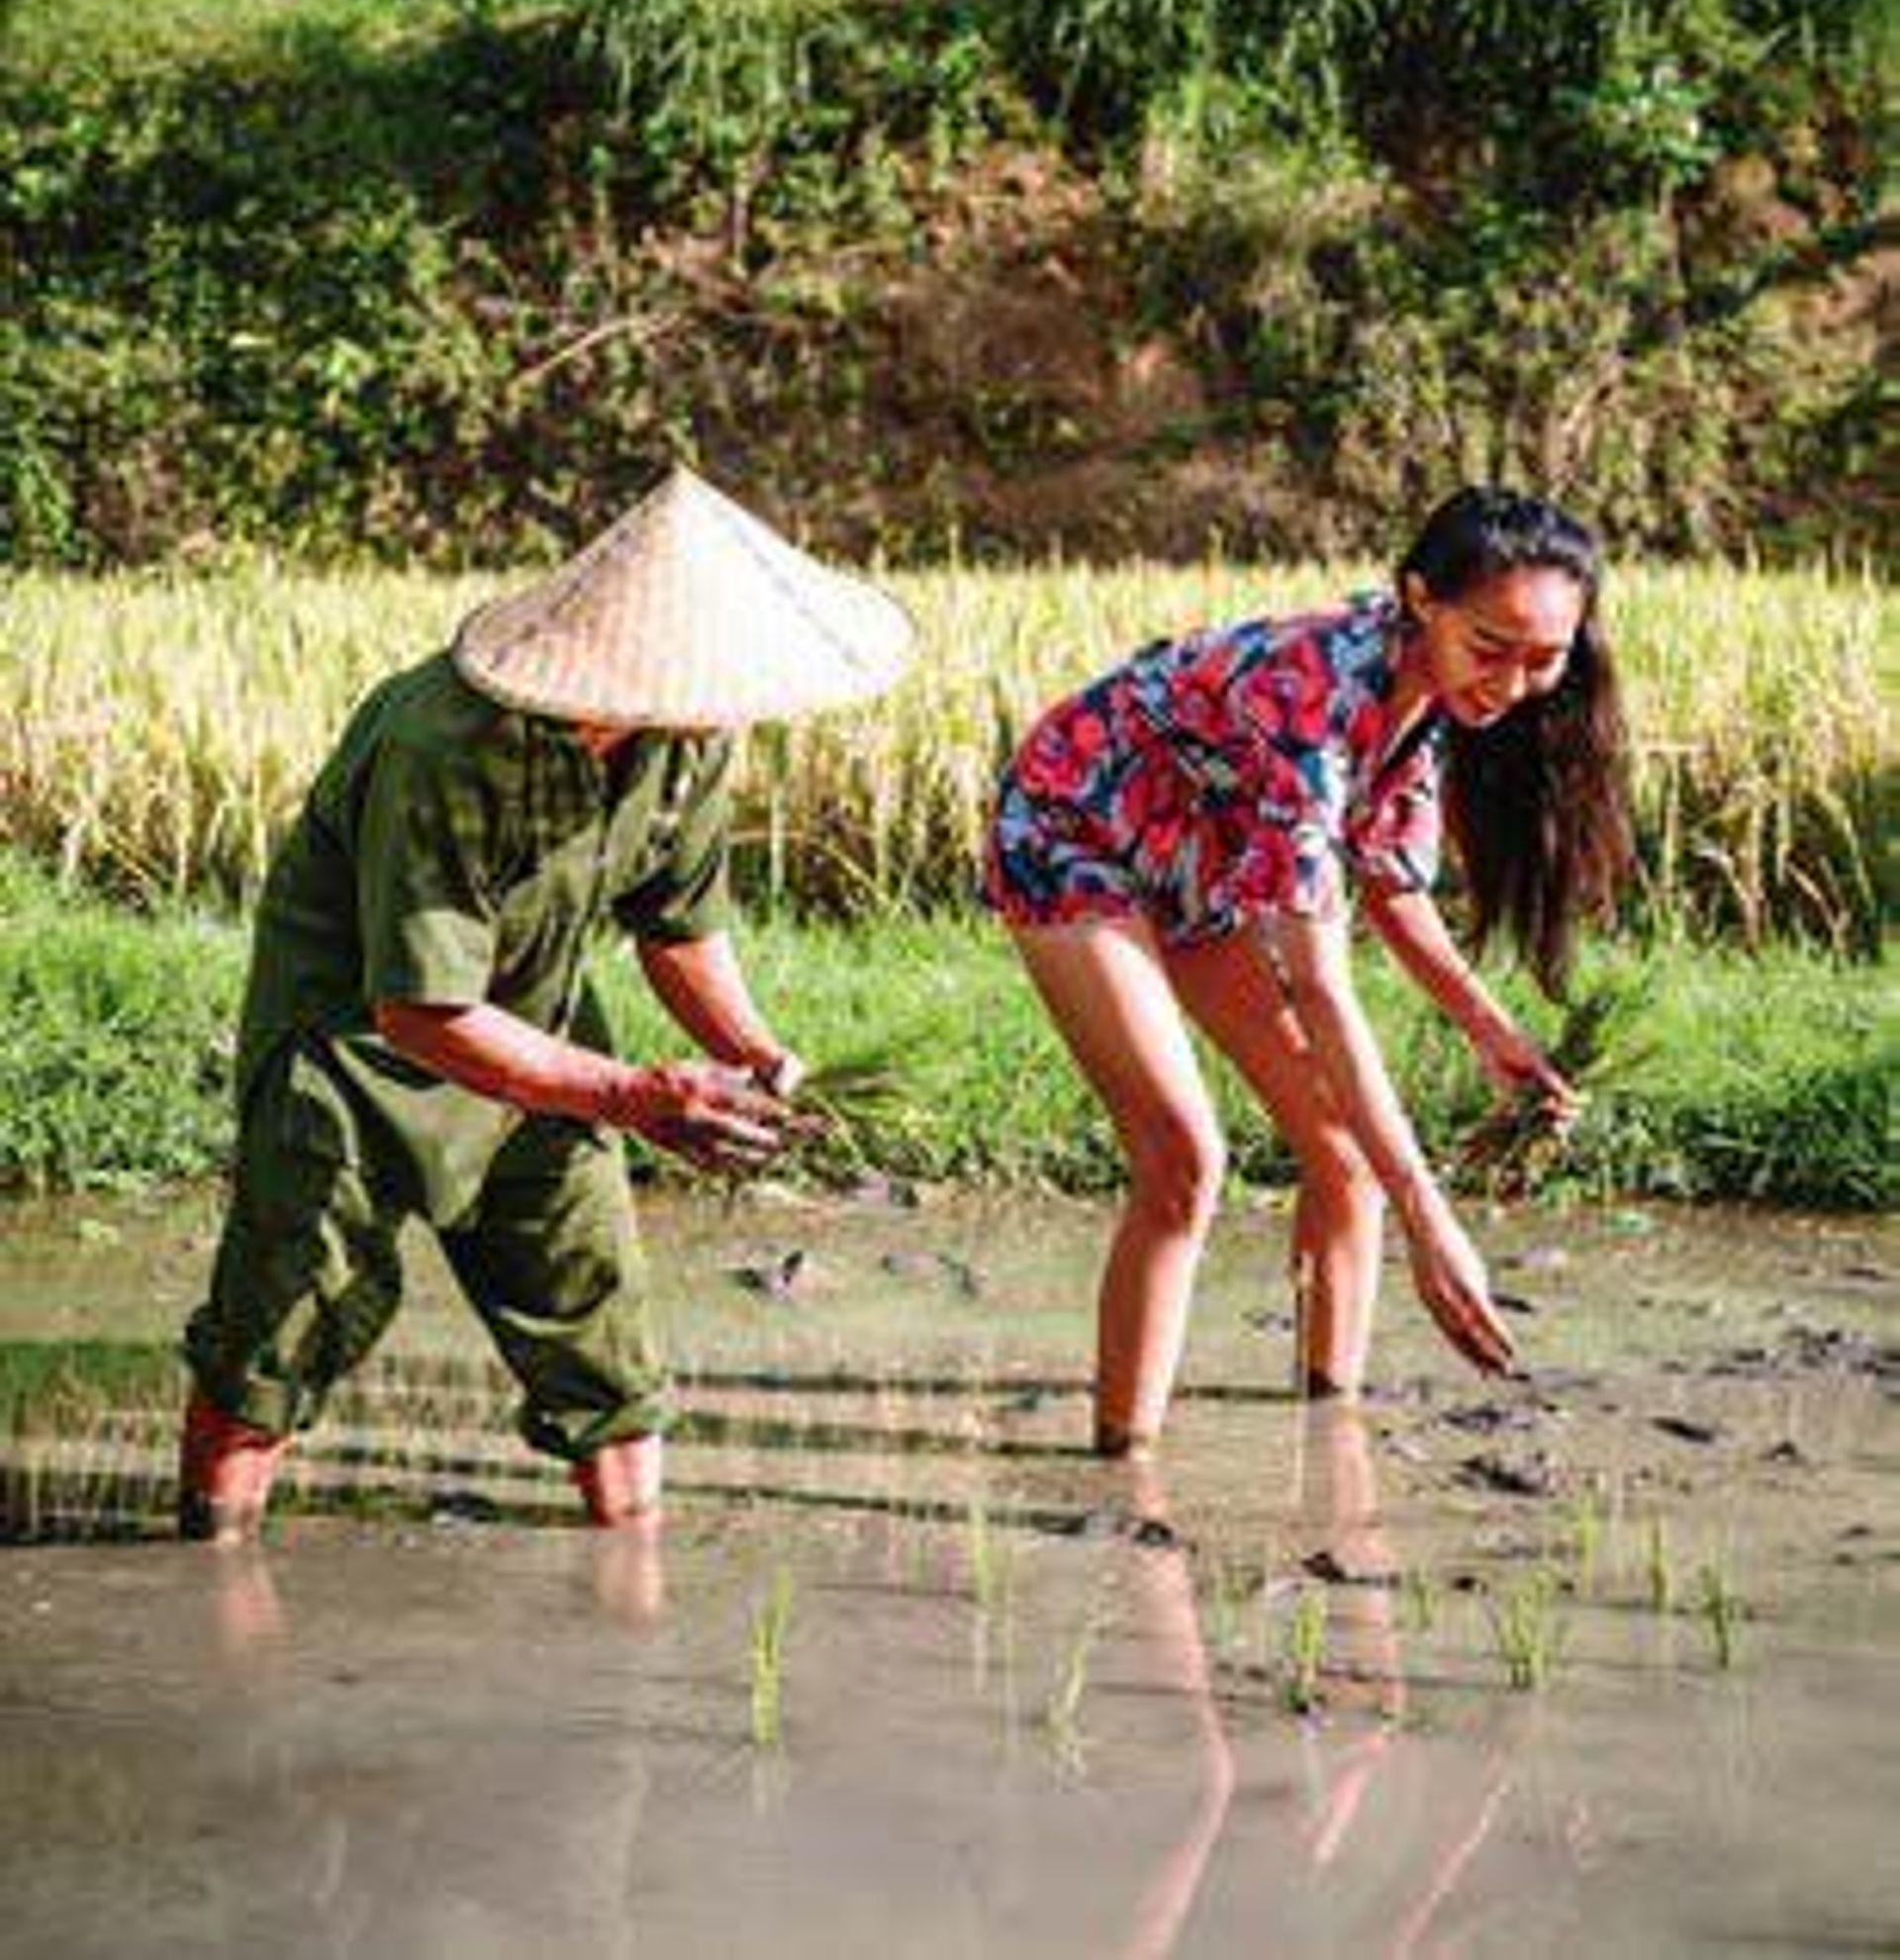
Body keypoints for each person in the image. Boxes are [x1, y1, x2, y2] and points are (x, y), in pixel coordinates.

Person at [179, 465, 913, 1541]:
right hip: (353, 1054)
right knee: (276, 1337)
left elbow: (678, 925)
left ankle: (633, 1581)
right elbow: (420, 1012)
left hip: (544, 1039)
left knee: (603, 1341)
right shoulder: (442, 743)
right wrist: (633, 1097)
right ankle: (210, 1557)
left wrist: (760, 1055)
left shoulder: (689, 741)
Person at [982, 486, 1632, 1449]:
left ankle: (1331, 1442)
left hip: (1196, 852)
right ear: (1421, 598)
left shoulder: (1426, 697)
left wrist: (1494, 1033)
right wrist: (1431, 1222)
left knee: (1342, 1152)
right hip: (1075, 825)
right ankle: (1123, 1471)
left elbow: (1391, 888)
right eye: (1491, 647)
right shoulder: (1314, 695)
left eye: (1544, 660)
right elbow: (1321, 985)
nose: (1509, 685)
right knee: (1182, 1157)